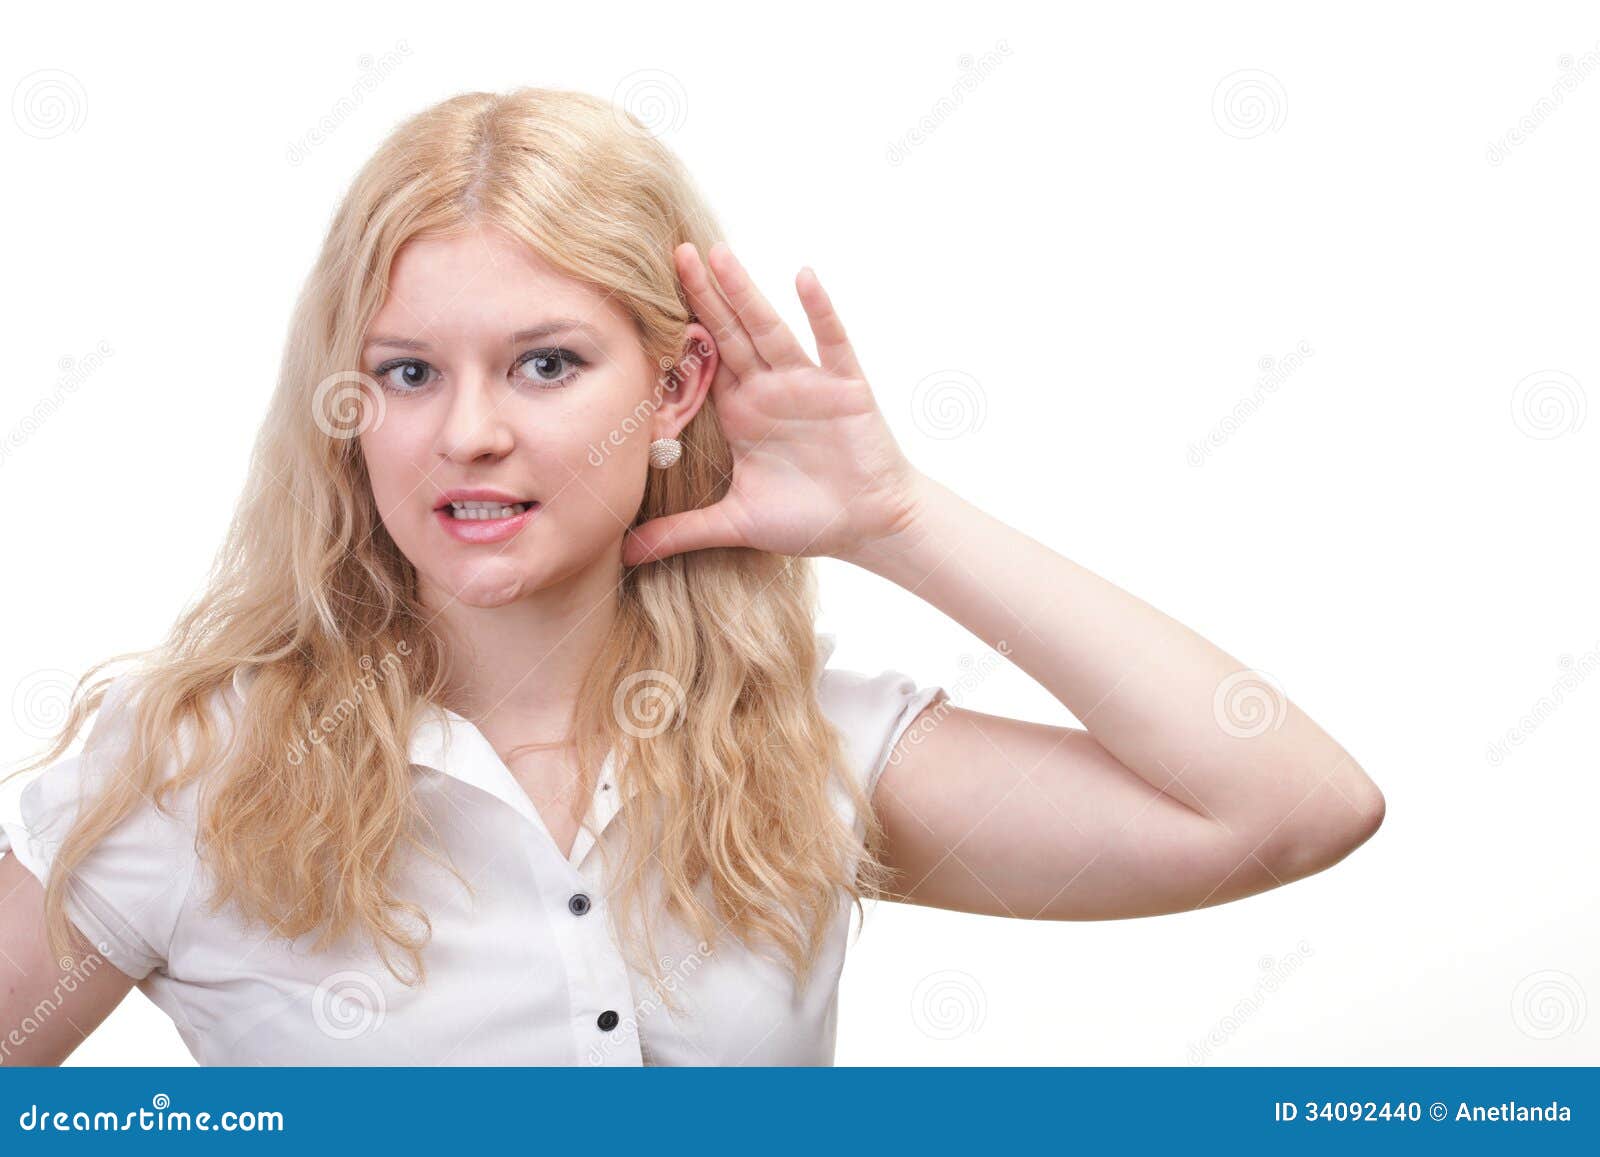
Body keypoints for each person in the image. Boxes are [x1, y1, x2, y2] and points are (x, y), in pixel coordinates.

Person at [0, 87, 1384, 1066]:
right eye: (409, 373)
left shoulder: (804, 745)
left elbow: (1291, 809)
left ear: (675, 388)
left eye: (545, 364)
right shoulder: (192, 769)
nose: (468, 431)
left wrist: (894, 517)